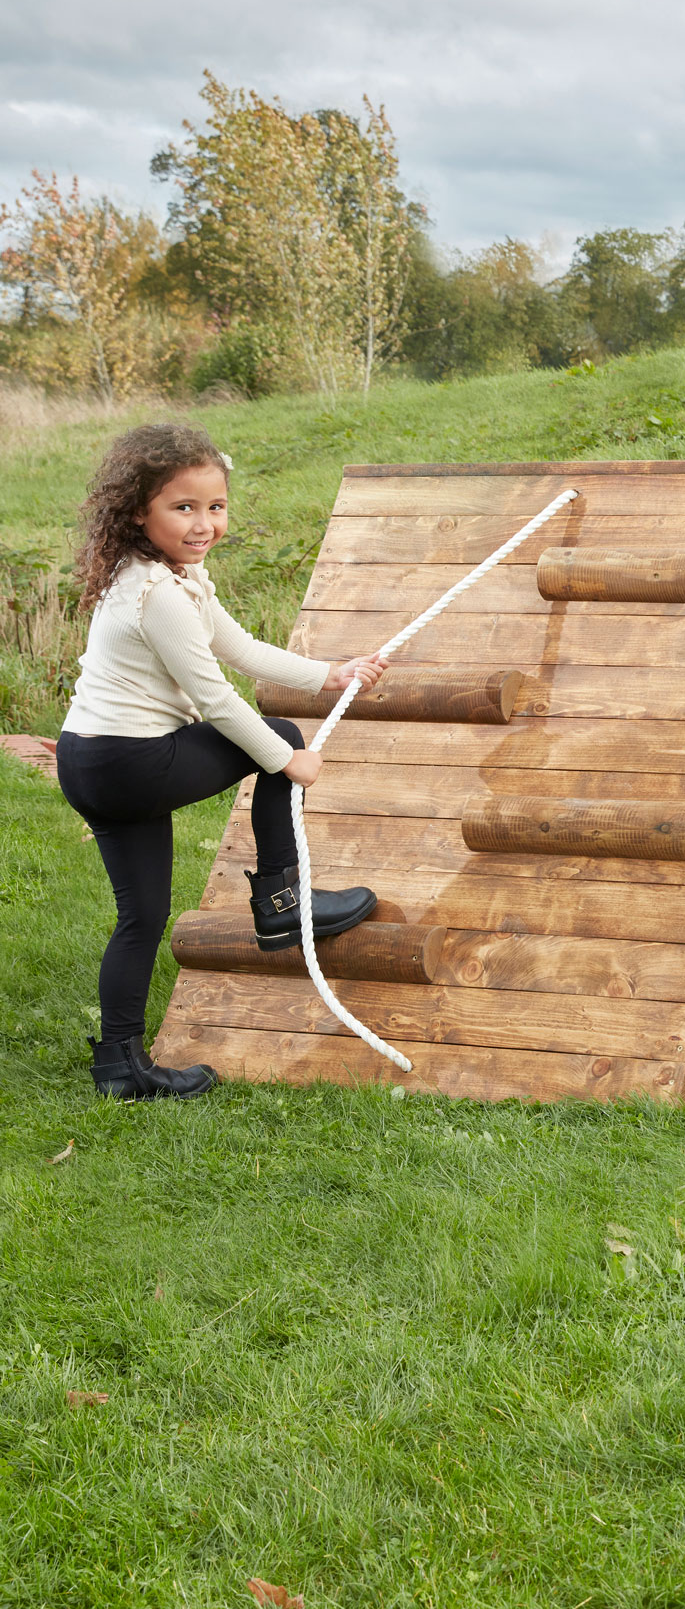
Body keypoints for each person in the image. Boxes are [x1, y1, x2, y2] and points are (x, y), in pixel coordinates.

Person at [56, 424, 386, 1101]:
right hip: (129, 763)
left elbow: (240, 647)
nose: (204, 523)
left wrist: (333, 672)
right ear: (139, 512)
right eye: (183, 508)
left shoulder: (162, 576)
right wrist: (287, 761)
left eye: (216, 506)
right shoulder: (161, 598)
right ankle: (281, 902)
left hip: (88, 762)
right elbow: (217, 700)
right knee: (277, 734)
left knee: (141, 917)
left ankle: (119, 1065)